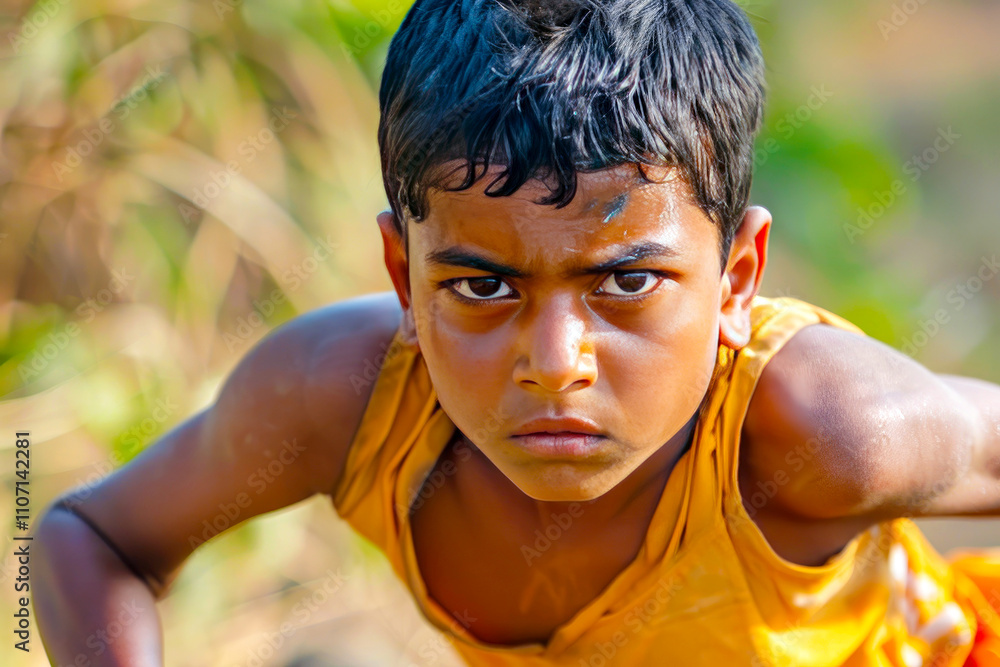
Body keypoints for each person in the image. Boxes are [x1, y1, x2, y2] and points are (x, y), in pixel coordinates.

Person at [34, 0, 1000, 664]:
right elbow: (89, 535)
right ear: (403, 277)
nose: (554, 365)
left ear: (737, 277)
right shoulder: (342, 404)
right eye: (484, 285)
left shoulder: (829, 430)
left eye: (627, 280)